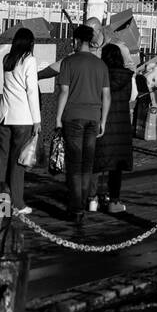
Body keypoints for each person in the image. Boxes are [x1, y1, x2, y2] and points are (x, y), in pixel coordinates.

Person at [54, 23, 110, 232]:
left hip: (73, 116)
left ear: (77, 41)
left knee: (74, 162)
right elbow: (106, 95)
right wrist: (103, 120)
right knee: (88, 162)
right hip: (94, 117)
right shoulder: (100, 65)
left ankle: (75, 205)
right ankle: (84, 201)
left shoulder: (69, 62)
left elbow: (64, 92)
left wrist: (58, 118)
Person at [0, 27, 40, 216]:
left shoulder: (7, 59)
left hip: (4, 114)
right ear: (30, 43)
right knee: (18, 162)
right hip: (23, 117)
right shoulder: (29, 60)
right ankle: (17, 203)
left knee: (1, 159)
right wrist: (37, 120)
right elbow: (31, 91)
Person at [89, 43, 133, 212]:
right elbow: (130, 97)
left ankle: (92, 198)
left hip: (103, 121)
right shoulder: (128, 77)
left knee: (97, 162)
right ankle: (114, 201)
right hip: (121, 124)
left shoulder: (100, 75)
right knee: (117, 166)